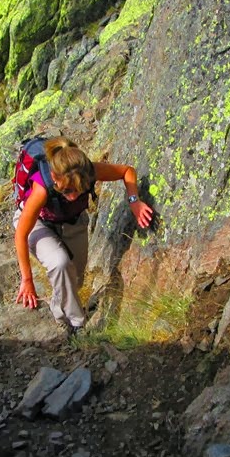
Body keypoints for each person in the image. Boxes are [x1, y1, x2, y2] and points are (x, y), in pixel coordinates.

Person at [14, 136, 154, 336]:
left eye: (78, 190)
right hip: (38, 224)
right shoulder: (41, 189)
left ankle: (62, 305)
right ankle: (76, 324)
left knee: (74, 280)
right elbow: (21, 234)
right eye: (67, 190)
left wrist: (134, 201)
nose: (73, 196)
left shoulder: (88, 171)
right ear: (54, 177)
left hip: (73, 220)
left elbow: (127, 171)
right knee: (60, 263)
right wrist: (27, 279)